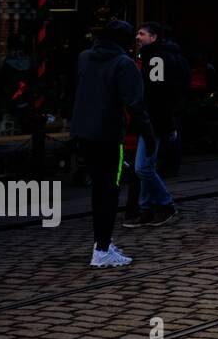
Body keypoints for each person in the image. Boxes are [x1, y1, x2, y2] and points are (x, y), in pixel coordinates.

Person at [72, 19, 155, 267]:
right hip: (107, 134)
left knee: (99, 190)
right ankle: (103, 249)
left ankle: (101, 242)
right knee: (109, 191)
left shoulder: (85, 57)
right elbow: (136, 105)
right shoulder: (124, 64)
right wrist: (149, 137)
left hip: (83, 131)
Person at [127, 22, 189, 228]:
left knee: (142, 167)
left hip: (153, 120)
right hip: (154, 119)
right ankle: (146, 208)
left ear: (153, 37)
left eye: (142, 34)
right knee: (147, 166)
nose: (138, 37)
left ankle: (165, 203)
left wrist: (163, 121)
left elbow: (158, 94)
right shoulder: (155, 56)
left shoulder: (156, 58)